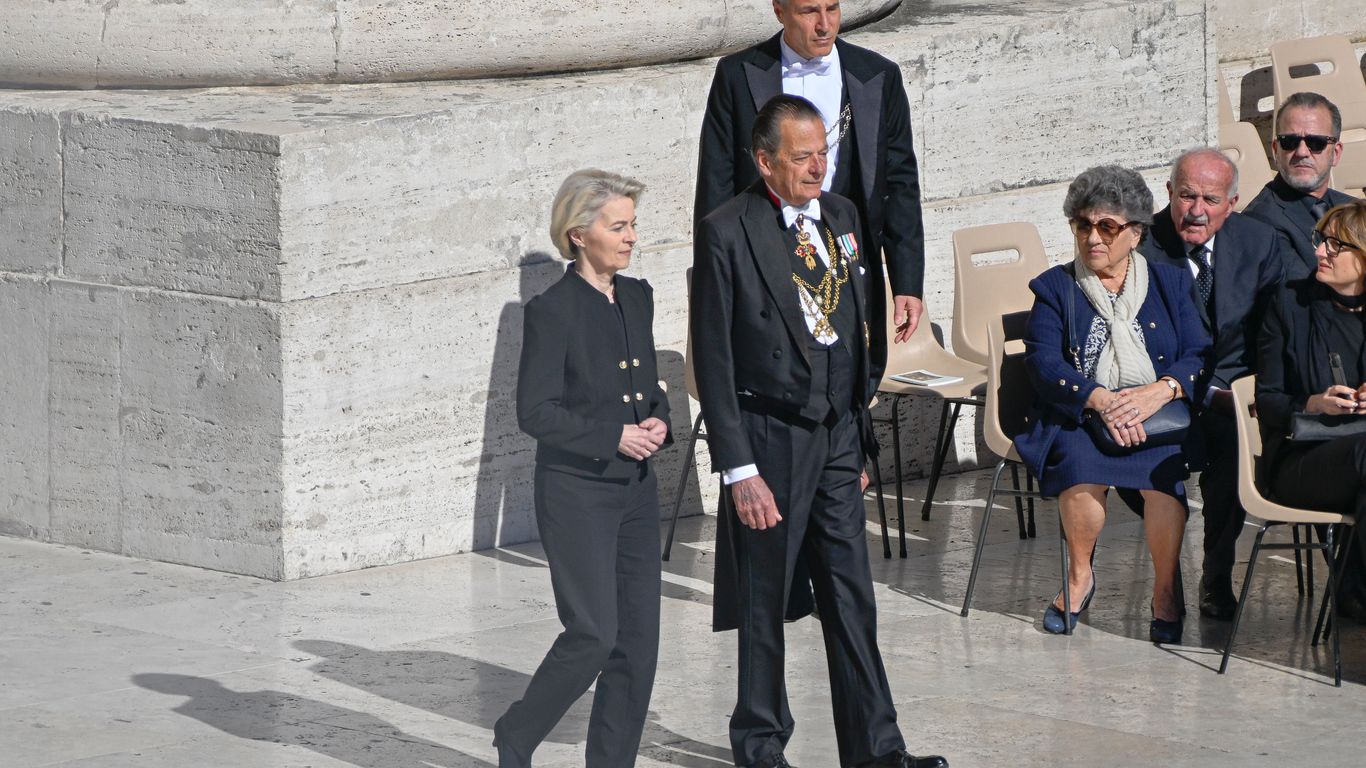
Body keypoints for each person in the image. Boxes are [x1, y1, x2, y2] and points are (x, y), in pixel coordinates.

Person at [692, 95, 946, 768]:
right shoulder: (727, 230)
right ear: (764, 160)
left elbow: (860, 325)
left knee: (851, 594)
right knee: (765, 598)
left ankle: (877, 749)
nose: (817, 167)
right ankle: (760, 744)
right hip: (770, 435)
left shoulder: (842, 215)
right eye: (801, 156)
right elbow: (713, 358)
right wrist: (739, 469)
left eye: (823, 152)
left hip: (837, 433)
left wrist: (857, 431)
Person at [494, 169, 671, 768]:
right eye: (617, 227)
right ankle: (518, 731)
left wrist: (658, 420)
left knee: (637, 645)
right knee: (593, 633)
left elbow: (647, 388)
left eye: (632, 225)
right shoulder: (552, 311)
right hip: (576, 495)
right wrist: (612, 436)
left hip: (636, 492)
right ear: (578, 234)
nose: (631, 237)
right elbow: (535, 412)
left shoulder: (639, 296)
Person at [1016, 165, 1212, 644]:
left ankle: (1166, 591)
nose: (1092, 238)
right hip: (1081, 414)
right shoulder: (1055, 287)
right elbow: (1042, 362)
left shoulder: (1168, 282)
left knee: (1163, 485)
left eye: (1107, 227)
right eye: (1083, 225)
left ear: (1136, 233)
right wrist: (1099, 399)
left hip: (1155, 416)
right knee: (1080, 472)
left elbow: (1198, 352)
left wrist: (1159, 391)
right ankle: (1080, 576)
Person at [695, 0, 925, 380]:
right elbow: (715, 187)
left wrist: (908, 281)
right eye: (808, 12)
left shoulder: (878, 74)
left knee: (853, 378)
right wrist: (716, 286)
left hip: (849, 263)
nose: (824, 24)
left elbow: (900, 186)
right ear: (779, 10)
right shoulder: (736, 75)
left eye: (832, 8)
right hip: (766, 263)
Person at [1138, 147, 1288, 620]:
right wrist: (1193, 390)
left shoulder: (1258, 241)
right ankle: (1167, 574)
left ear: (1233, 202)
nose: (1196, 210)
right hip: (1160, 391)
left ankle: (1216, 574)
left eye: (1211, 199)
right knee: (1146, 461)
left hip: (1233, 393)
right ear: (1169, 193)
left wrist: (1258, 392)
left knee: (1233, 452)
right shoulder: (1141, 247)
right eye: (1186, 196)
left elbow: (1274, 331)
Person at [1256, 200, 1366, 621]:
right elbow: (1267, 400)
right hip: (1300, 459)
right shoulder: (1290, 304)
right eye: (1321, 240)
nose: (1320, 251)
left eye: (1336, 245)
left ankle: (1354, 593)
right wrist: (1313, 402)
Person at [1243, 91, 1359, 279]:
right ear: (1276, 150)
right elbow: (1302, 293)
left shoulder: (1354, 208)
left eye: (1316, 142)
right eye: (1290, 142)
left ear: (1336, 153)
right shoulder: (1259, 223)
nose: (1302, 152)